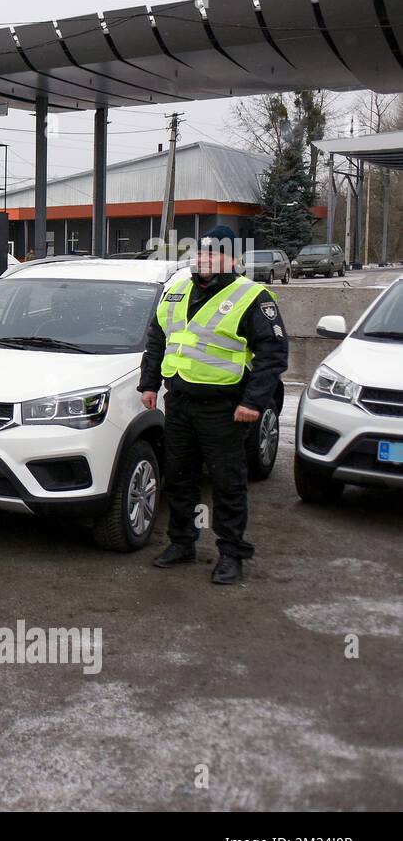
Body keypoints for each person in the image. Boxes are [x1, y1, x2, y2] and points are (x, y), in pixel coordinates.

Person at [138, 225, 288, 585]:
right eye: (202, 252)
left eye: (214, 253)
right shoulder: (176, 290)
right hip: (180, 404)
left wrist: (254, 402)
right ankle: (182, 542)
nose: (204, 259)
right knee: (178, 478)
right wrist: (149, 383)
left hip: (225, 407)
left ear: (233, 259)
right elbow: (158, 338)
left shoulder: (252, 296)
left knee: (227, 484)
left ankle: (232, 554)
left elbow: (273, 354)